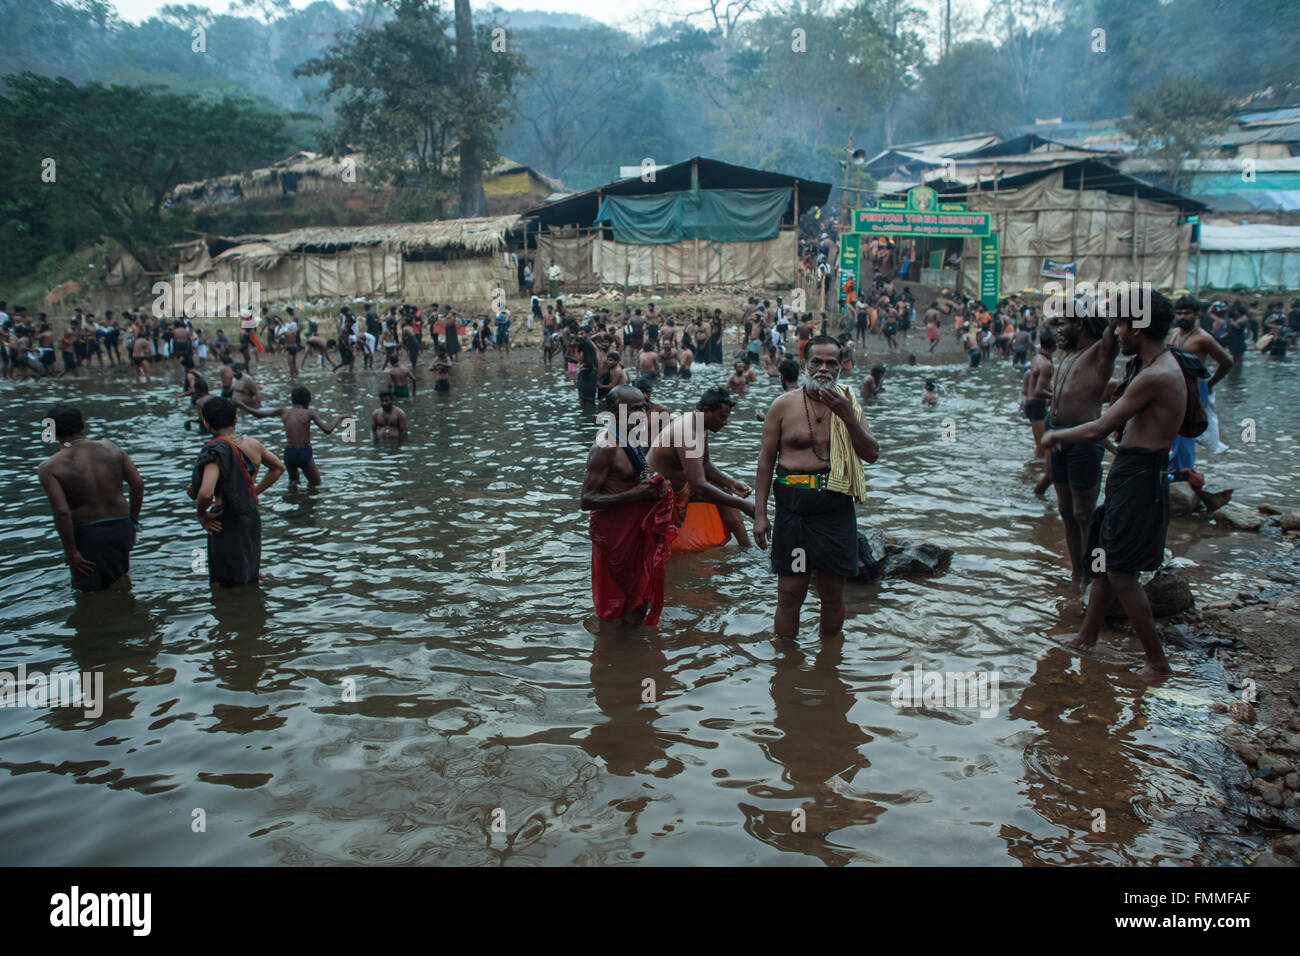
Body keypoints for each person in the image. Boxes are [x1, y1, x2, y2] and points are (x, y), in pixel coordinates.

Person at [1038, 293, 1184, 681]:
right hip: (1128, 471)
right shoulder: (1149, 367)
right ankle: (1087, 637)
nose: (1116, 332)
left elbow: (1102, 427)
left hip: (1140, 476)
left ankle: (1157, 662)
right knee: (1102, 559)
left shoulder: (1157, 373)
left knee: (1120, 573)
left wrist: (1056, 436)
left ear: (1136, 327)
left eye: (1120, 324)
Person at [754, 336, 879, 639]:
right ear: (806, 365)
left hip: (835, 507)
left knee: (833, 594)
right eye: (817, 362)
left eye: (831, 363)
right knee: (790, 594)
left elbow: (872, 454)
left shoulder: (850, 403)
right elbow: (766, 460)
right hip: (793, 509)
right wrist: (760, 514)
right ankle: (786, 669)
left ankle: (829, 667)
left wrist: (848, 415)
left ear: (841, 368)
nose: (824, 369)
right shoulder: (783, 405)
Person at [581, 385, 676, 626]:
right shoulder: (604, 448)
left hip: (635, 532)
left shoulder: (632, 438)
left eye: (644, 407)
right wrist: (634, 496)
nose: (642, 415)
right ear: (615, 412)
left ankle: (631, 653)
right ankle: (614, 651)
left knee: (640, 596)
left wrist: (653, 482)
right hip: (613, 535)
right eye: (635, 410)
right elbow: (587, 500)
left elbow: (642, 468)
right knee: (615, 602)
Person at [1046, 304, 1120, 585]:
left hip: (1083, 440)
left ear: (1080, 324)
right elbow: (1048, 323)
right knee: (1065, 510)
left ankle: (1095, 576)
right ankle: (1077, 574)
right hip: (1058, 436)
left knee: (1084, 514)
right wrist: (1068, 309)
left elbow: (1113, 329)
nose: (1058, 328)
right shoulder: (1068, 353)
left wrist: (1088, 309)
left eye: (1064, 323)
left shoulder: (1101, 352)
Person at [38, 405, 144, 592]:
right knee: (120, 580)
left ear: (51, 432)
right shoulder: (112, 449)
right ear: (83, 425)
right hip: (121, 526)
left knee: (88, 593)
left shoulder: (50, 467)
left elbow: (62, 512)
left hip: (89, 534)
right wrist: (133, 522)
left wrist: (70, 551)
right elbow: (137, 484)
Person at [188, 398, 285, 588]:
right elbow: (278, 468)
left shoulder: (215, 452)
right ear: (235, 420)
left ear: (206, 424)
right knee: (249, 574)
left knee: (225, 583)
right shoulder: (254, 445)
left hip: (226, 519)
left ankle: (230, 614)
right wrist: (252, 492)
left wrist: (201, 515)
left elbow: (206, 494)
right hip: (250, 515)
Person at [646, 388, 756, 550]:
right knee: (728, 497)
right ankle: (747, 548)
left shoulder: (698, 423)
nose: (724, 422)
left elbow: (705, 464)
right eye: (722, 417)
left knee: (725, 490)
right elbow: (699, 485)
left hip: (678, 488)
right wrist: (744, 505)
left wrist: (732, 483)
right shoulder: (687, 432)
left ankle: (747, 548)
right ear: (706, 410)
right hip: (657, 492)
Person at [236, 386, 346, 486]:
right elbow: (327, 430)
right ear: (308, 400)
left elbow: (259, 414)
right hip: (304, 452)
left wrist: (242, 405)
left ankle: (292, 501)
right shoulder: (309, 413)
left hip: (289, 453)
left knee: (293, 483)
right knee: (316, 485)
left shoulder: (283, 411)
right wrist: (339, 418)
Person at [1170, 295, 1232, 463]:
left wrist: (1211, 384)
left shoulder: (1203, 338)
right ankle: (1171, 471)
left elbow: (1227, 362)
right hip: (1174, 387)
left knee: (1187, 432)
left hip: (1196, 388)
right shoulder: (1174, 333)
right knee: (1171, 429)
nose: (1182, 317)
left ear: (1196, 314)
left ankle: (1185, 471)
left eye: (1187, 313)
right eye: (1179, 313)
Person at [1023, 331, 1056, 496]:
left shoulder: (1036, 358)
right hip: (1036, 404)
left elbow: (1031, 381)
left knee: (1040, 442)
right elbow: (1039, 391)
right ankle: (1035, 469)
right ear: (1054, 346)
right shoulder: (1046, 364)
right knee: (1042, 444)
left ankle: (1034, 468)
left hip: (1031, 404)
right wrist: (1057, 395)